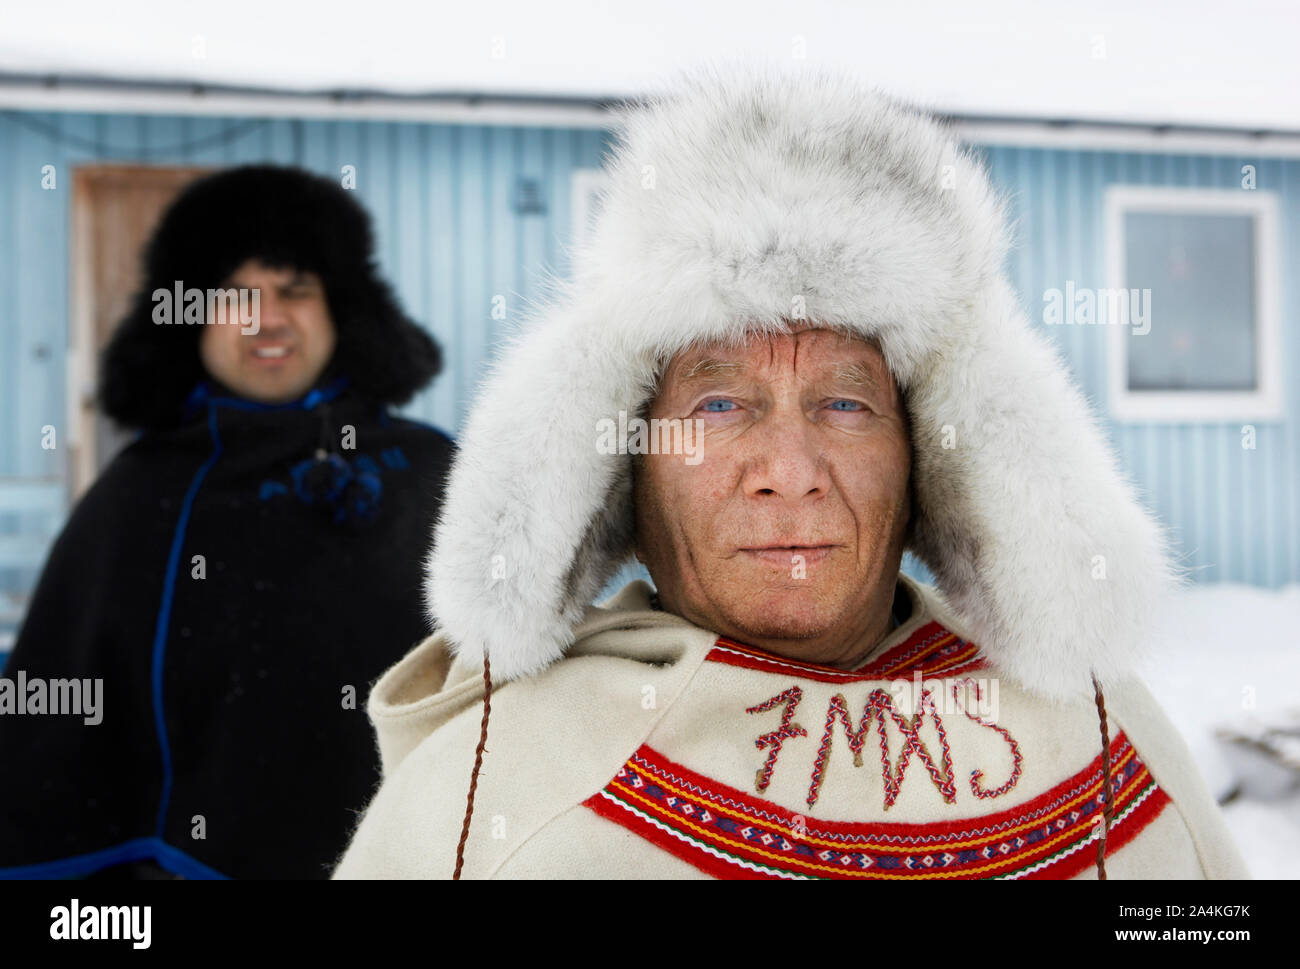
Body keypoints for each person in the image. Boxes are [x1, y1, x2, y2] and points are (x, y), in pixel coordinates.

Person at [331, 62, 1248, 879]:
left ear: (929, 459)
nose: (790, 471)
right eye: (720, 404)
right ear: (624, 470)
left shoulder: (1100, 745)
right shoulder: (495, 795)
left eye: (845, 403)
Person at [0, 164, 455, 879]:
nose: (268, 318)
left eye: (295, 291)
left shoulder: (436, 472)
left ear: (340, 307)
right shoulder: (136, 494)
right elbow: (52, 736)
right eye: (236, 294)